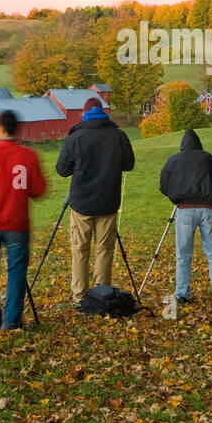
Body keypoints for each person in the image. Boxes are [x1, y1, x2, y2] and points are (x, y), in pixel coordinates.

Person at [0, 110, 47, 330]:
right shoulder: (28, 155)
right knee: (16, 271)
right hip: (17, 222)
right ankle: (11, 320)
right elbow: (38, 189)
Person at [56, 98, 135, 302]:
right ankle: (102, 294)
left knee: (80, 250)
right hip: (108, 201)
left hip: (81, 203)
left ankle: (80, 295)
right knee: (104, 250)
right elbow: (129, 164)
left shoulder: (76, 137)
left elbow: (62, 170)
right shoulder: (118, 136)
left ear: (84, 114)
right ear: (103, 113)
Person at [158, 128, 212, 306]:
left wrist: (177, 194)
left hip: (185, 208)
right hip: (209, 208)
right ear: (198, 144)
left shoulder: (173, 160)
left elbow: (163, 184)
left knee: (183, 254)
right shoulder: (208, 158)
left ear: (182, 145)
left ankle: (182, 293)